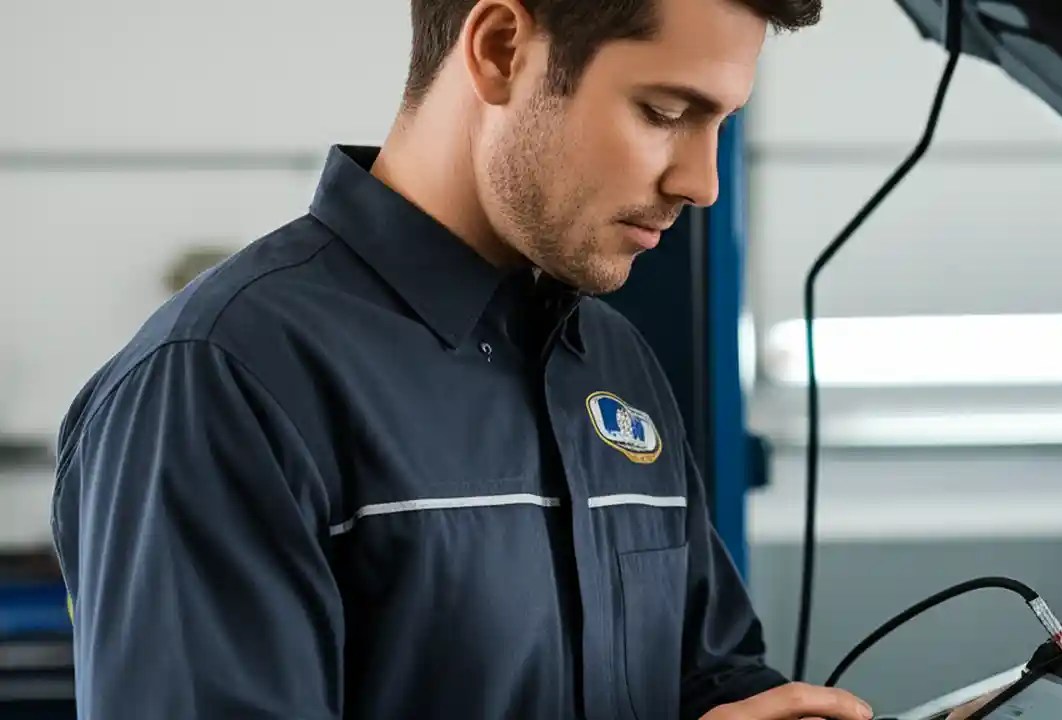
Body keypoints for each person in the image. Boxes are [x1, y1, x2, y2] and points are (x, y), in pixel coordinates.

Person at [51, 0, 993, 718]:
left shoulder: (609, 358)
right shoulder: (222, 382)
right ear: (501, 49)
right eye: (666, 111)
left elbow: (706, 673)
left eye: (720, 124)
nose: (700, 180)